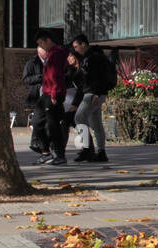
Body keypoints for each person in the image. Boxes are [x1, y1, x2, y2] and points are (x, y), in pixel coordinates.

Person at [71, 33, 114, 163]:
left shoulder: (93, 58)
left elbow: (98, 78)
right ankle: (101, 152)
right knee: (95, 122)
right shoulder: (92, 57)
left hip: (93, 93)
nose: (75, 49)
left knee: (79, 118)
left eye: (76, 46)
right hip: (96, 93)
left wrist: (97, 93)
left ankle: (86, 149)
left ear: (84, 44)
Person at [30, 30, 69, 165]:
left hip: (53, 93)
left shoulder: (56, 53)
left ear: (48, 40)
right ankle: (46, 151)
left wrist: (54, 94)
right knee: (37, 121)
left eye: (41, 43)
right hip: (47, 92)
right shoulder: (52, 54)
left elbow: (56, 75)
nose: (41, 46)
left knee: (53, 126)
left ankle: (59, 154)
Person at [22, 47, 48, 160]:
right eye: (44, 51)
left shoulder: (51, 61)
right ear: (39, 52)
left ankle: (40, 144)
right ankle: (37, 143)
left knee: (44, 121)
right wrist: (39, 77)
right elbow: (25, 79)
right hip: (36, 96)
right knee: (39, 120)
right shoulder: (32, 63)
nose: (47, 53)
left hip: (48, 94)